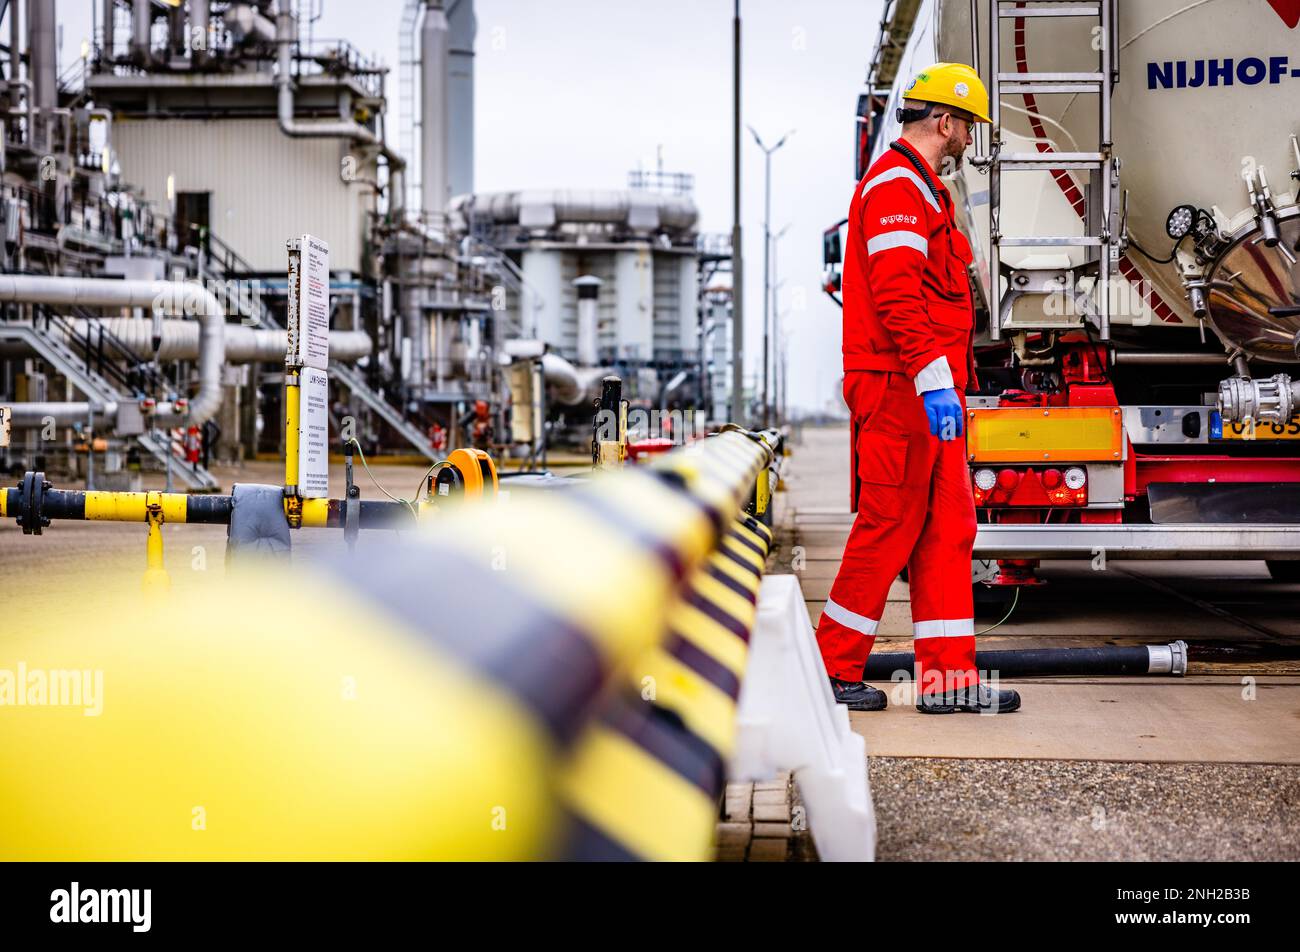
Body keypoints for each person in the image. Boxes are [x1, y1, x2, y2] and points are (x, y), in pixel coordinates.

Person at [817, 62, 1020, 715]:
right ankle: (831, 668)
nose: (969, 139)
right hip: (900, 385)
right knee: (889, 523)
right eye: (967, 127)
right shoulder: (899, 186)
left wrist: (946, 385)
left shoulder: (924, 189)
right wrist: (934, 382)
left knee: (949, 527)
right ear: (944, 120)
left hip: (926, 387)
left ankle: (948, 678)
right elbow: (898, 294)